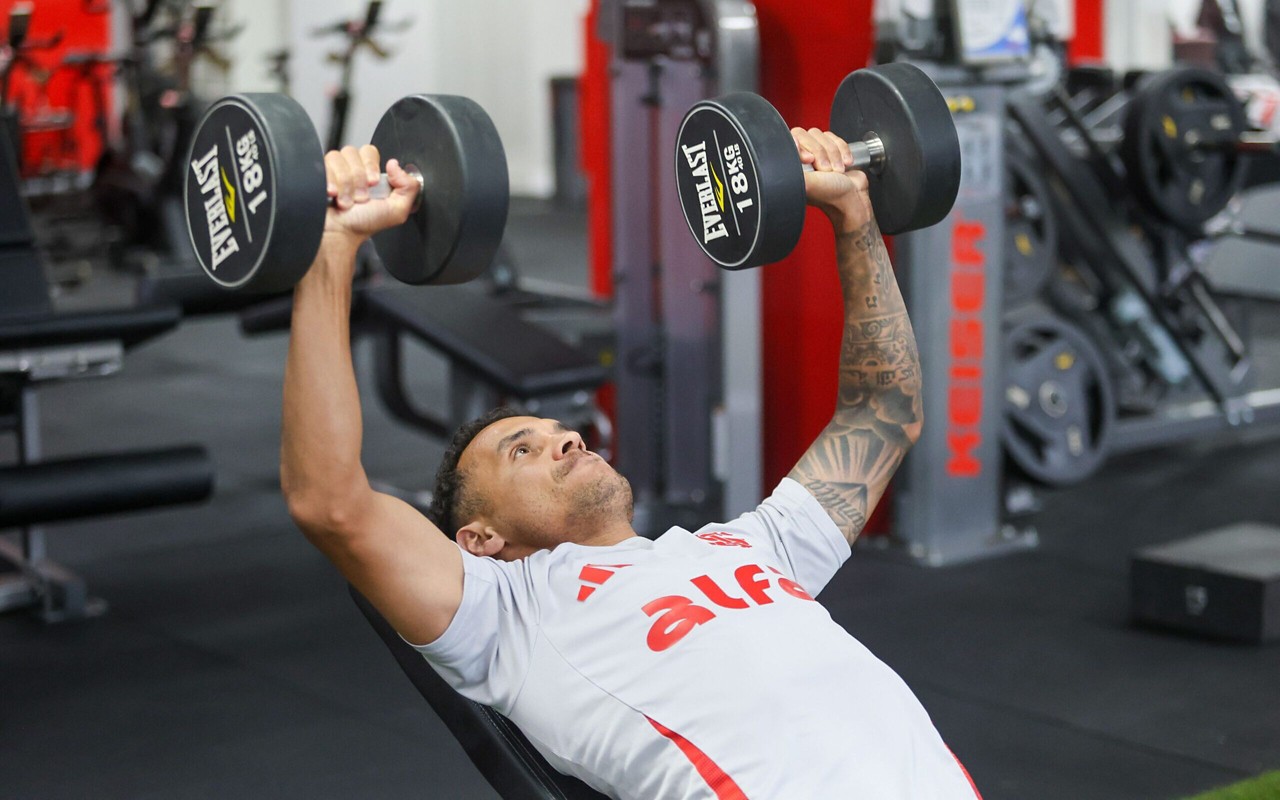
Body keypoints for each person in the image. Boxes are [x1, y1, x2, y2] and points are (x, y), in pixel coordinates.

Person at [281, 126, 982, 799]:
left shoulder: (748, 548)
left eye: (562, 432)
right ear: (481, 539)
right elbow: (331, 504)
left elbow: (884, 410)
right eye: (520, 450)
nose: (566, 440)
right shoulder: (506, 620)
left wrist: (853, 209)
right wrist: (334, 245)